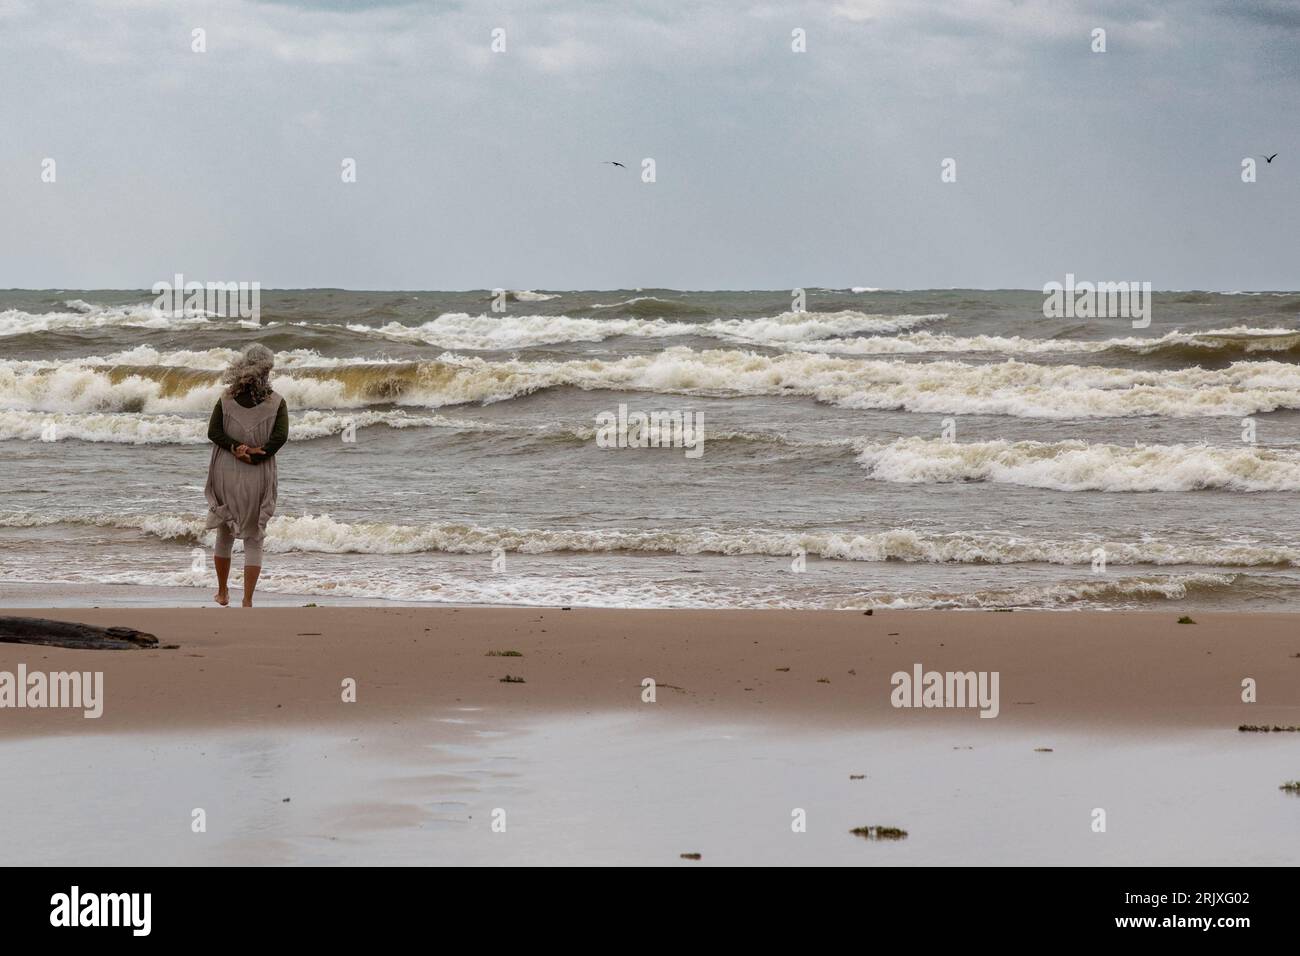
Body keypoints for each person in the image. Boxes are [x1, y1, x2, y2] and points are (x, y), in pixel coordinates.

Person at [204, 344, 288, 606]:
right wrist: (254, 454)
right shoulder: (277, 402)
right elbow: (279, 438)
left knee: (225, 532)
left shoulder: (226, 399)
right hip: (258, 474)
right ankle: (248, 599)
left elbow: (214, 432)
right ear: (268, 369)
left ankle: (222, 591)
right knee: (253, 537)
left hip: (226, 470)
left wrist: (234, 448)